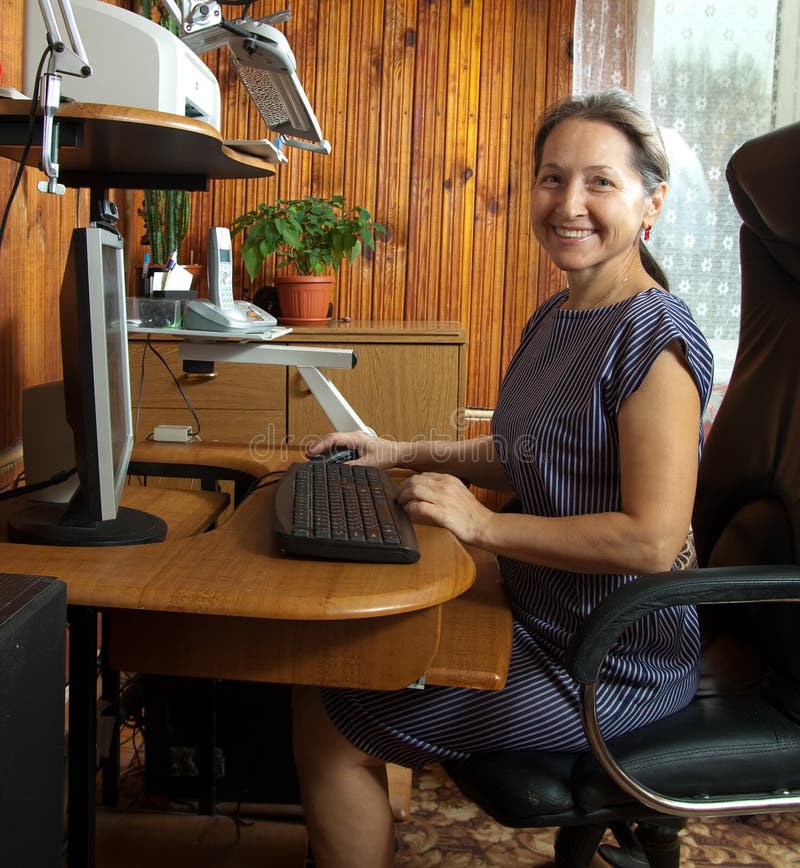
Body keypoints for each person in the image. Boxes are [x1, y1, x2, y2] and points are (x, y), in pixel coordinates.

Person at [292, 87, 714, 868]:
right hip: (536, 612)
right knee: (348, 655)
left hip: (606, 659)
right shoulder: (555, 318)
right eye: (553, 178)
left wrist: (481, 526)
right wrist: (398, 451)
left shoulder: (655, 337)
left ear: (650, 204)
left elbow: (653, 542)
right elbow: (526, 452)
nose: (570, 203)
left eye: (600, 182)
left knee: (332, 709)